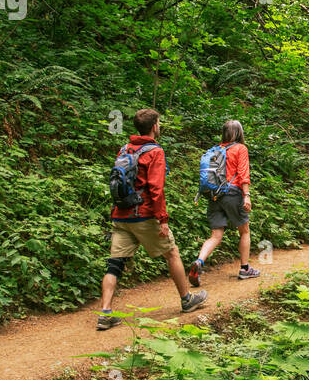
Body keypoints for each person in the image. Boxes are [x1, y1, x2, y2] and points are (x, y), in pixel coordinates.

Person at [97, 108, 207, 330]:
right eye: (159, 122)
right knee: (172, 253)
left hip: (120, 215)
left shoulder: (124, 149)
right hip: (144, 215)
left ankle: (105, 312)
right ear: (154, 126)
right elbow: (156, 189)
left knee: (114, 264)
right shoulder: (155, 152)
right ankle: (187, 300)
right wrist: (162, 219)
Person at [189, 119, 261, 283]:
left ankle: (199, 261)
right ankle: (245, 269)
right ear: (239, 133)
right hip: (233, 194)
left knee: (215, 235)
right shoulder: (240, 149)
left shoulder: (216, 150)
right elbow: (243, 174)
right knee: (244, 231)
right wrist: (247, 195)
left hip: (215, 195)